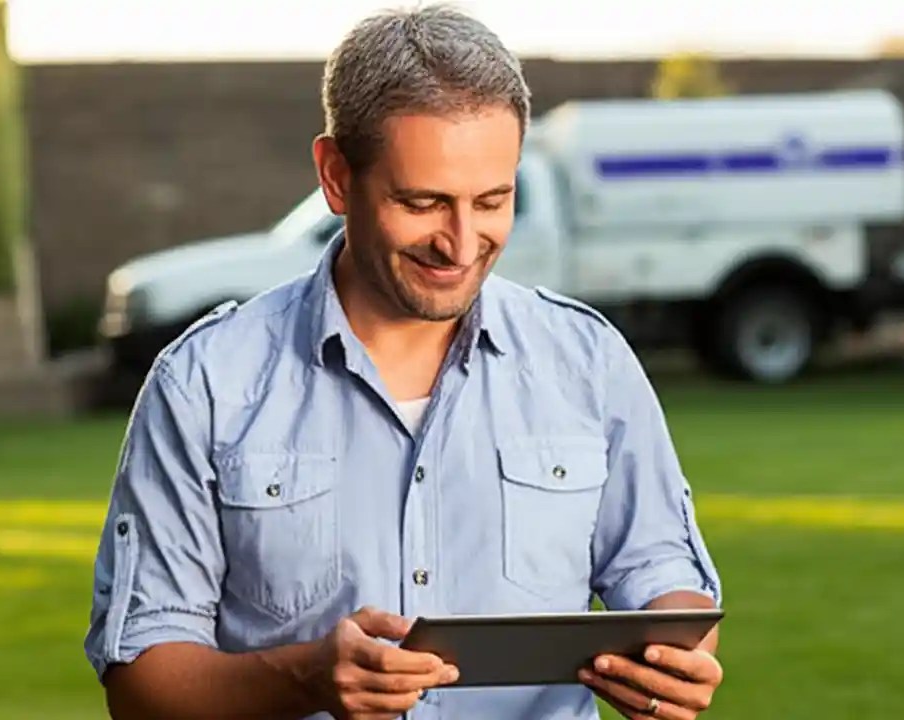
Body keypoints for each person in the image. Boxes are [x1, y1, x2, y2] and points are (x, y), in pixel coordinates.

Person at [84, 6, 724, 720]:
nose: (460, 242)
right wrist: (305, 677)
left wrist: (677, 663)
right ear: (334, 176)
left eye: (493, 200)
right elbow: (140, 686)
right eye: (422, 202)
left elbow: (664, 577)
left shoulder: (589, 363)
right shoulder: (205, 384)